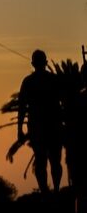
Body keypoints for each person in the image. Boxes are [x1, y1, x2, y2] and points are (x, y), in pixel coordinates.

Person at [17, 49, 63, 194]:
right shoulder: (54, 80)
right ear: (46, 63)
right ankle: (54, 190)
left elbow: (22, 108)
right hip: (52, 127)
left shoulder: (28, 81)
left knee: (42, 161)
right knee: (54, 161)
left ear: (33, 64)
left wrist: (19, 130)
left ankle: (46, 192)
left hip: (39, 128)